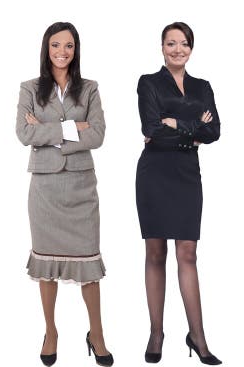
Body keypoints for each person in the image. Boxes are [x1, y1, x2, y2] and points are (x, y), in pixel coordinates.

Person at [16, 22, 113, 367]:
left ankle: (97, 333)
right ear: (46, 48)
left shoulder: (89, 88)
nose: (62, 51)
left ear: (76, 49)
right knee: (46, 266)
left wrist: (47, 130)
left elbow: (98, 134)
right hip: (44, 189)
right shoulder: (29, 88)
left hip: (81, 187)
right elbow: (23, 133)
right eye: (56, 45)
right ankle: (51, 331)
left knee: (88, 263)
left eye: (69, 45)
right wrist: (73, 127)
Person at [136, 21, 221, 365]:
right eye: (170, 43)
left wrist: (177, 124)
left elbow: (214, 130)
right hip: (154, 173)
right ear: (162, 47)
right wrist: (191, 128)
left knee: (188, 254)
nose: (177, 49)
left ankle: (198, 336)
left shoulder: (203, 86)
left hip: (187, 175)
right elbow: (151, 129)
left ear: (191, 48)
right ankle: (156, 333)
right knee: (155, 253)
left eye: (183, 43)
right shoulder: (148, 82)